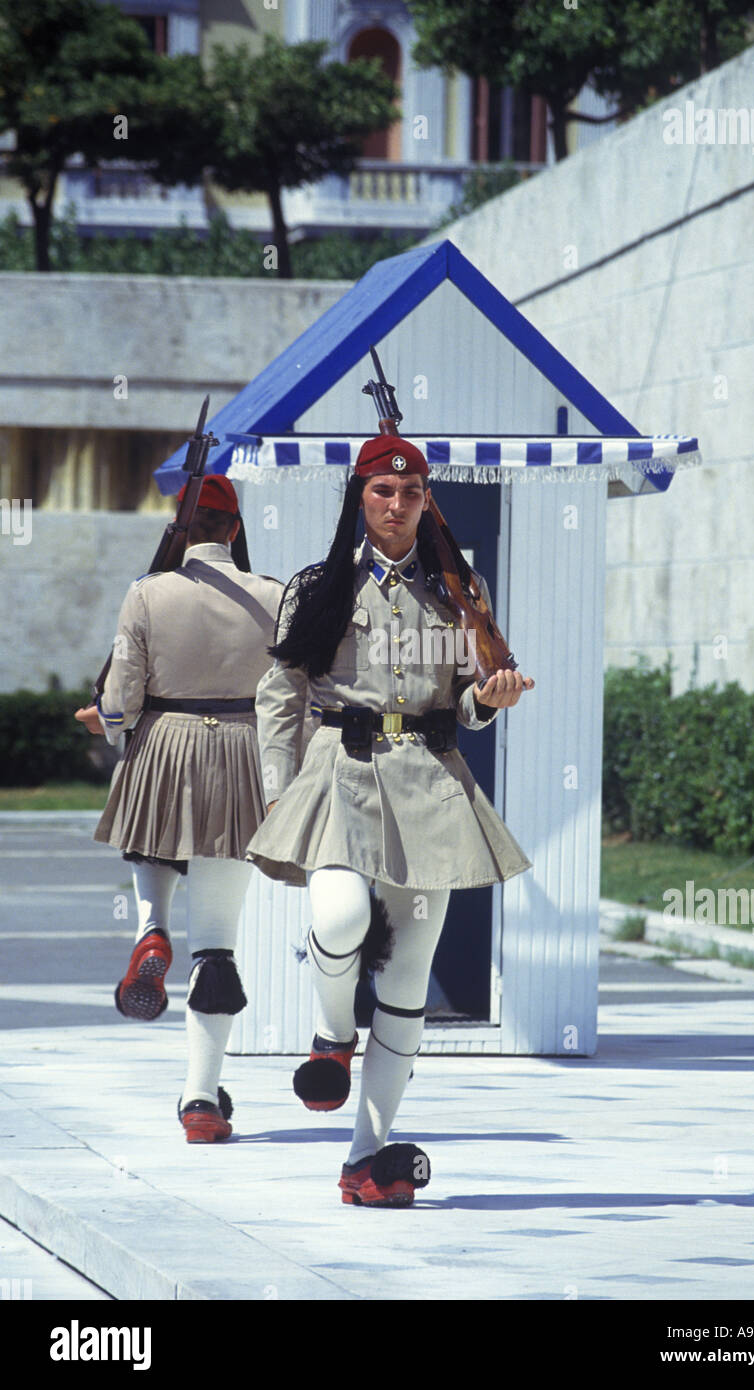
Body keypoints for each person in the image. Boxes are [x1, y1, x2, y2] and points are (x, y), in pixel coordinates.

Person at [247, 435, 534, 1206]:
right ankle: (333, 1034)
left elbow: (467, 699)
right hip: (341, 773)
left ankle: (364, 1156)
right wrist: (278, 789)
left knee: (407, 973)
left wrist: (490, 699)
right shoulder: (320, 586)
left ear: (424, 502)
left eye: (410, 495)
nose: (397, 506)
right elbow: (280, 693)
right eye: (382, 492)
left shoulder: (457, 590)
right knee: (338, 918)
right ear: (361, 499)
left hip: (431, 784)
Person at [74, 475, 283, 1143]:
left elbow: (124, 698)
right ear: (234, 530)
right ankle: (200, 1102)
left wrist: (104, 722)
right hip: (243, 754)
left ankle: (150, 928)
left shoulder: (147, 592)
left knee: (152, 837)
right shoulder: (273, 596)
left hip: (163, 742)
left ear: (179, 528)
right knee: (217, 947)